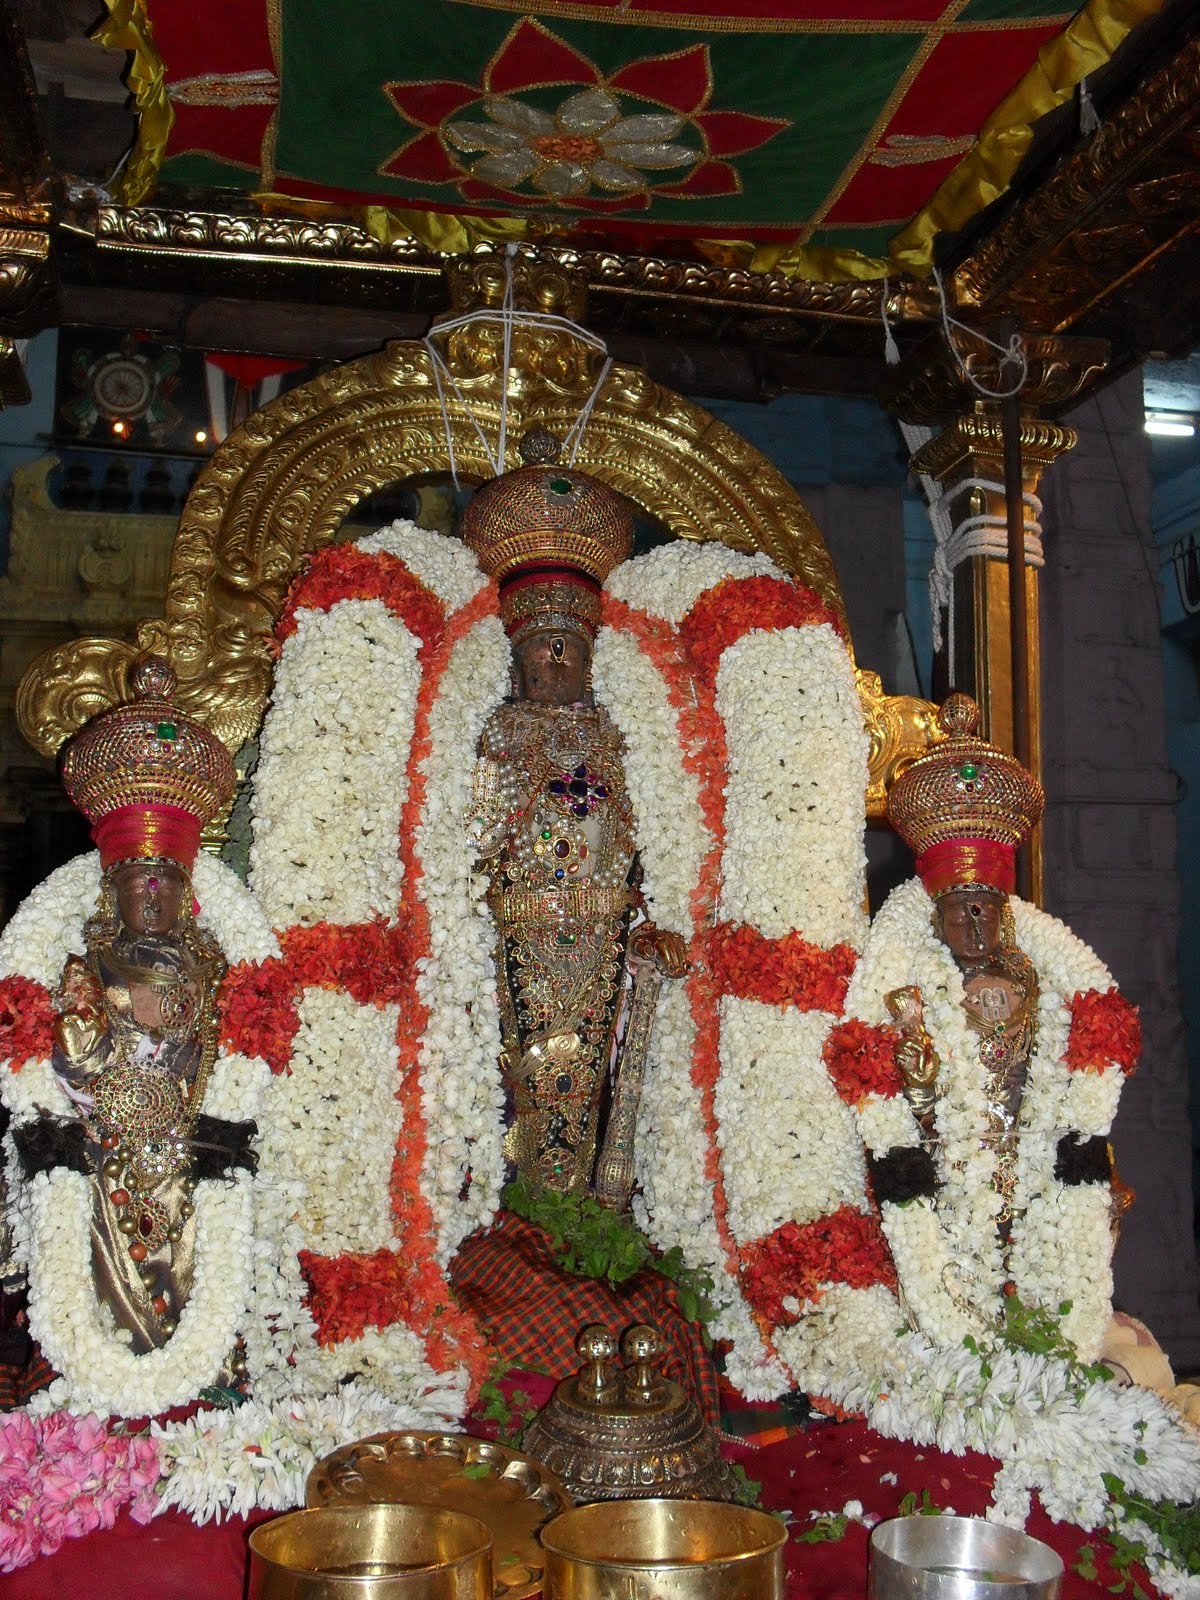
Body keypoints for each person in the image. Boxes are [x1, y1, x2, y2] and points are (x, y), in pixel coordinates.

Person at [461, 464, 687, 1201]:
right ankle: (516, 1214)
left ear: (590, 663)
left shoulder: (619, 739)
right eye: (541, 647)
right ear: (517, 658)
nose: (555, 659)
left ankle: (588, 1218)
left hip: (604, 940)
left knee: (601, 1082)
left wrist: (652, 924)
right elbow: (470, 837)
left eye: (569, 648)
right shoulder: (493, 734)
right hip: (513, 937)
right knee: (511, 1083)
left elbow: (645, 844)